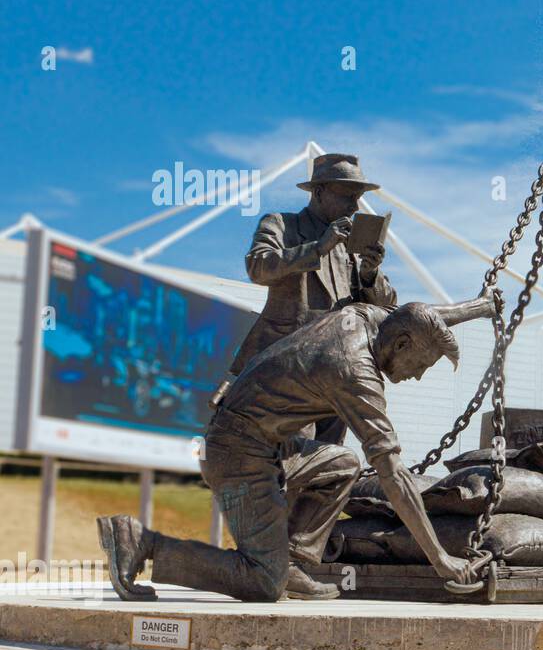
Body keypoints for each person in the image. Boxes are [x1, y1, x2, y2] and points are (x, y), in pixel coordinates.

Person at [99, 293, 494, 603]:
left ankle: (294, 560)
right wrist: (440, 558)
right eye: (422, 364)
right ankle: (144, 543)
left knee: (342, 462)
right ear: (403, 343)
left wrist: (477, 308)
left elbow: (420, 313)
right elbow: (392, 472)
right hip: (236, 455)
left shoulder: (363, 318)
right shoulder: (354, 372)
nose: (419, 376)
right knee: (262, 581)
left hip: (267, 443)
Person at [225, 152, 397, 445]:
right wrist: (318, 248)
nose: (355, 206)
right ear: (319, 192)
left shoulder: (351, 246)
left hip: (334, 374)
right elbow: (258, 267)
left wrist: (370, 273)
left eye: (358, 198)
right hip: (284, 371)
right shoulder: (282, 224)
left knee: (328, 463)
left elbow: (386, 307)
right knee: (292, 458)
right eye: (348, 196)